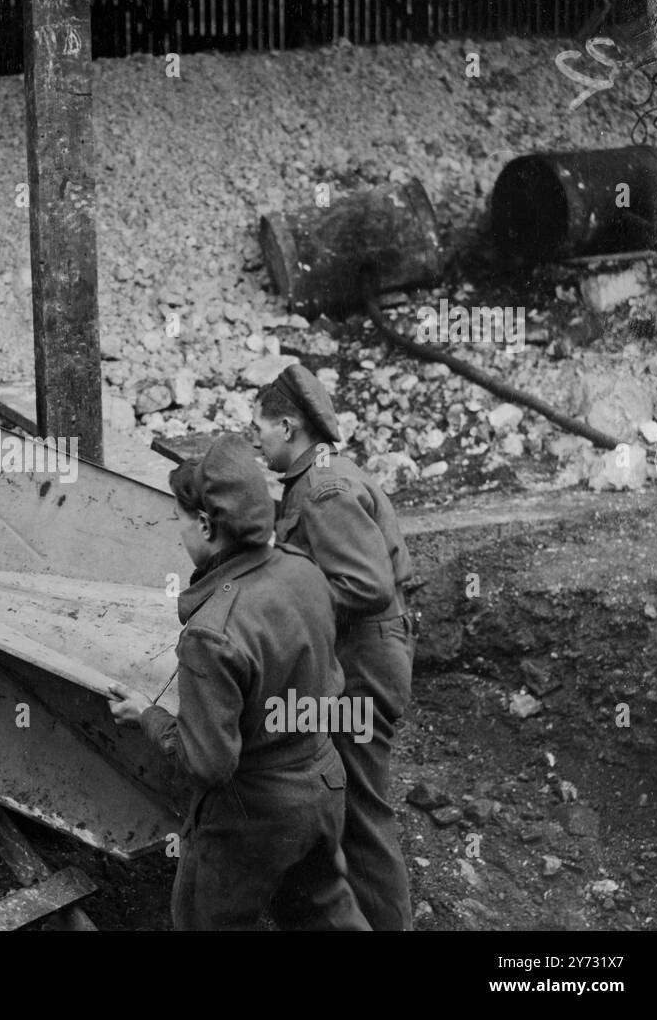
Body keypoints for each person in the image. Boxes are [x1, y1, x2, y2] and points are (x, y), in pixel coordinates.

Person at [107, 435, 368, 931]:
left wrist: (149, 716)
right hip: (324, 785)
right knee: (326, 914)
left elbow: (208, 764)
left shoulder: (212, 632)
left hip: (254, 815)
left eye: (180, 520)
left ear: (205, 525)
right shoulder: (304, 572)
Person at [252, 363, 416, 931]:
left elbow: (366, 587)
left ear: (290, 426)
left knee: (362, 817)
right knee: (351, 806)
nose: (259, 442)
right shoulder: (322, 477)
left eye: (263, 430)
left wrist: (289, 612)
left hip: (363, 661)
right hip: (362, 655)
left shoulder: (322, 488)